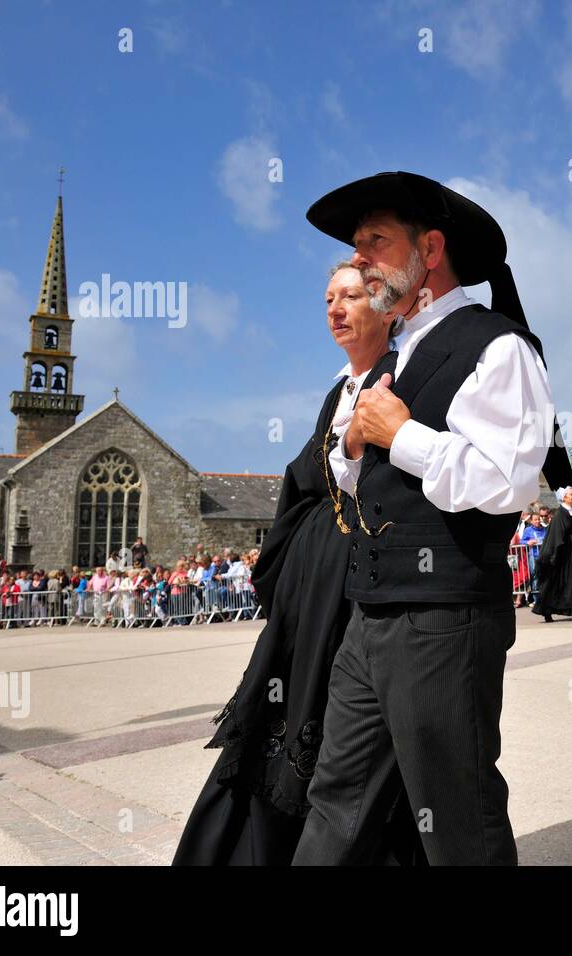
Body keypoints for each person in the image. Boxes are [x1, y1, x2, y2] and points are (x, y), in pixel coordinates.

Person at [290, 171, 572, 866]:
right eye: (356, 248)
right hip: (372, 613)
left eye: (375, 243)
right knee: (336, 799)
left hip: (445, 618)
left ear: (432, 249)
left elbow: (510, 482)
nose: (360, 260)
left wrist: (400, 435)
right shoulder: (399, 352)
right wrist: (355, 448)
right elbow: (366, 483)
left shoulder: (498, 346)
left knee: (455, 815)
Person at [173, 262, 408, 865]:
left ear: (385, 307)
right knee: (281, 711)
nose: (335, 307)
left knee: (346, 719)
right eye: (328, 297)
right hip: (309, 586)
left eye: (350, 296)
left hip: (355, 584)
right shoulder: (339, 390)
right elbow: (304, 481)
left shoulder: (401, 377)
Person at [531, 487, 572, 622]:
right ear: (564, 497)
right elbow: (556, 536)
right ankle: (547, 610)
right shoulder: (560, 515)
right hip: (563, 554)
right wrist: (555, 555)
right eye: (571, 494)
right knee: (555, 582)